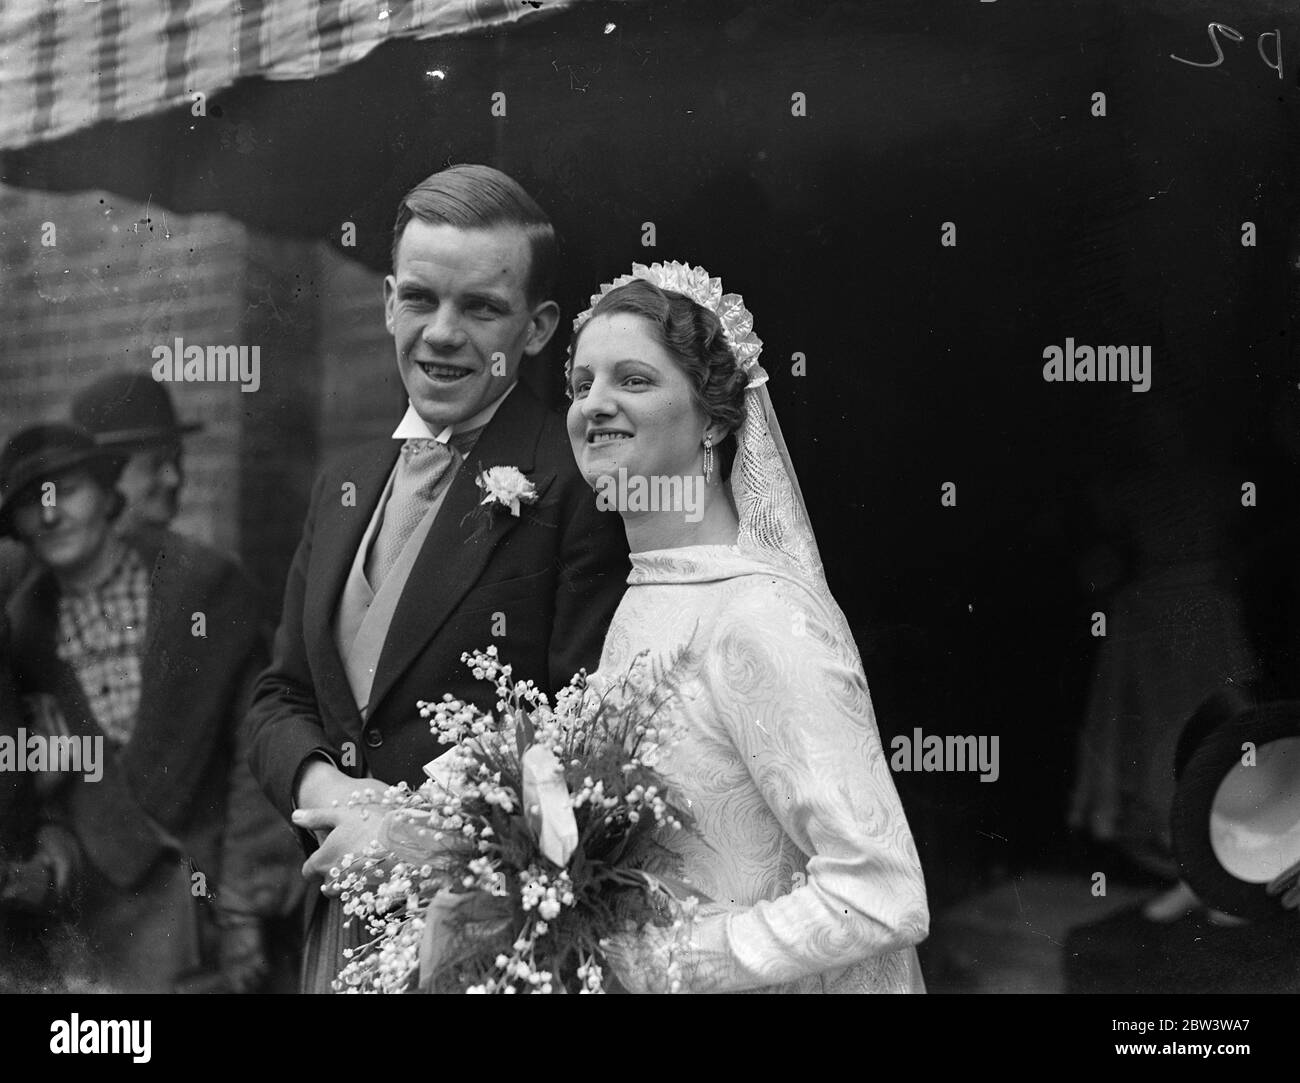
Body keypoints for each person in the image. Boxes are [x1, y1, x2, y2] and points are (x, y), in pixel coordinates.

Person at [245, 164, 630, 992]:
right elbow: (280, 695)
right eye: (421, 298)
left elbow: (592, 753)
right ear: (387, 302)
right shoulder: (344, 479)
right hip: (337, 923)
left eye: (482, 307)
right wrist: (332, 792)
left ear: (536, 328)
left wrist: (416, 831)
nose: (443, 333)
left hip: (484, 940)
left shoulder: (576, 486)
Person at [561, 263, 929, 992]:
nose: (593, 406)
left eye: (632, 380)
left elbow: (883, 891)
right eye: (580, 384)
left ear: (718, 420)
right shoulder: (651, 594)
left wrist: (667, 964)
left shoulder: (760, 614)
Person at [1, 422, 301, 992]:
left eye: (66, 491)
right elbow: (30, 805)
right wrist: (43, 780)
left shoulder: (201, 588)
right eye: (29, 504)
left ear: (108, 491)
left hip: (227, 897)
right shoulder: (22, 636)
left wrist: (242, 906)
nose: (49, 515)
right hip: (113, 932)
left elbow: (257, 747)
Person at [70, 370, 201, 532]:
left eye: (177, 460)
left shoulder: (187, 555)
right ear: (104, 477)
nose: (174, 479)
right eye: (155, 464)